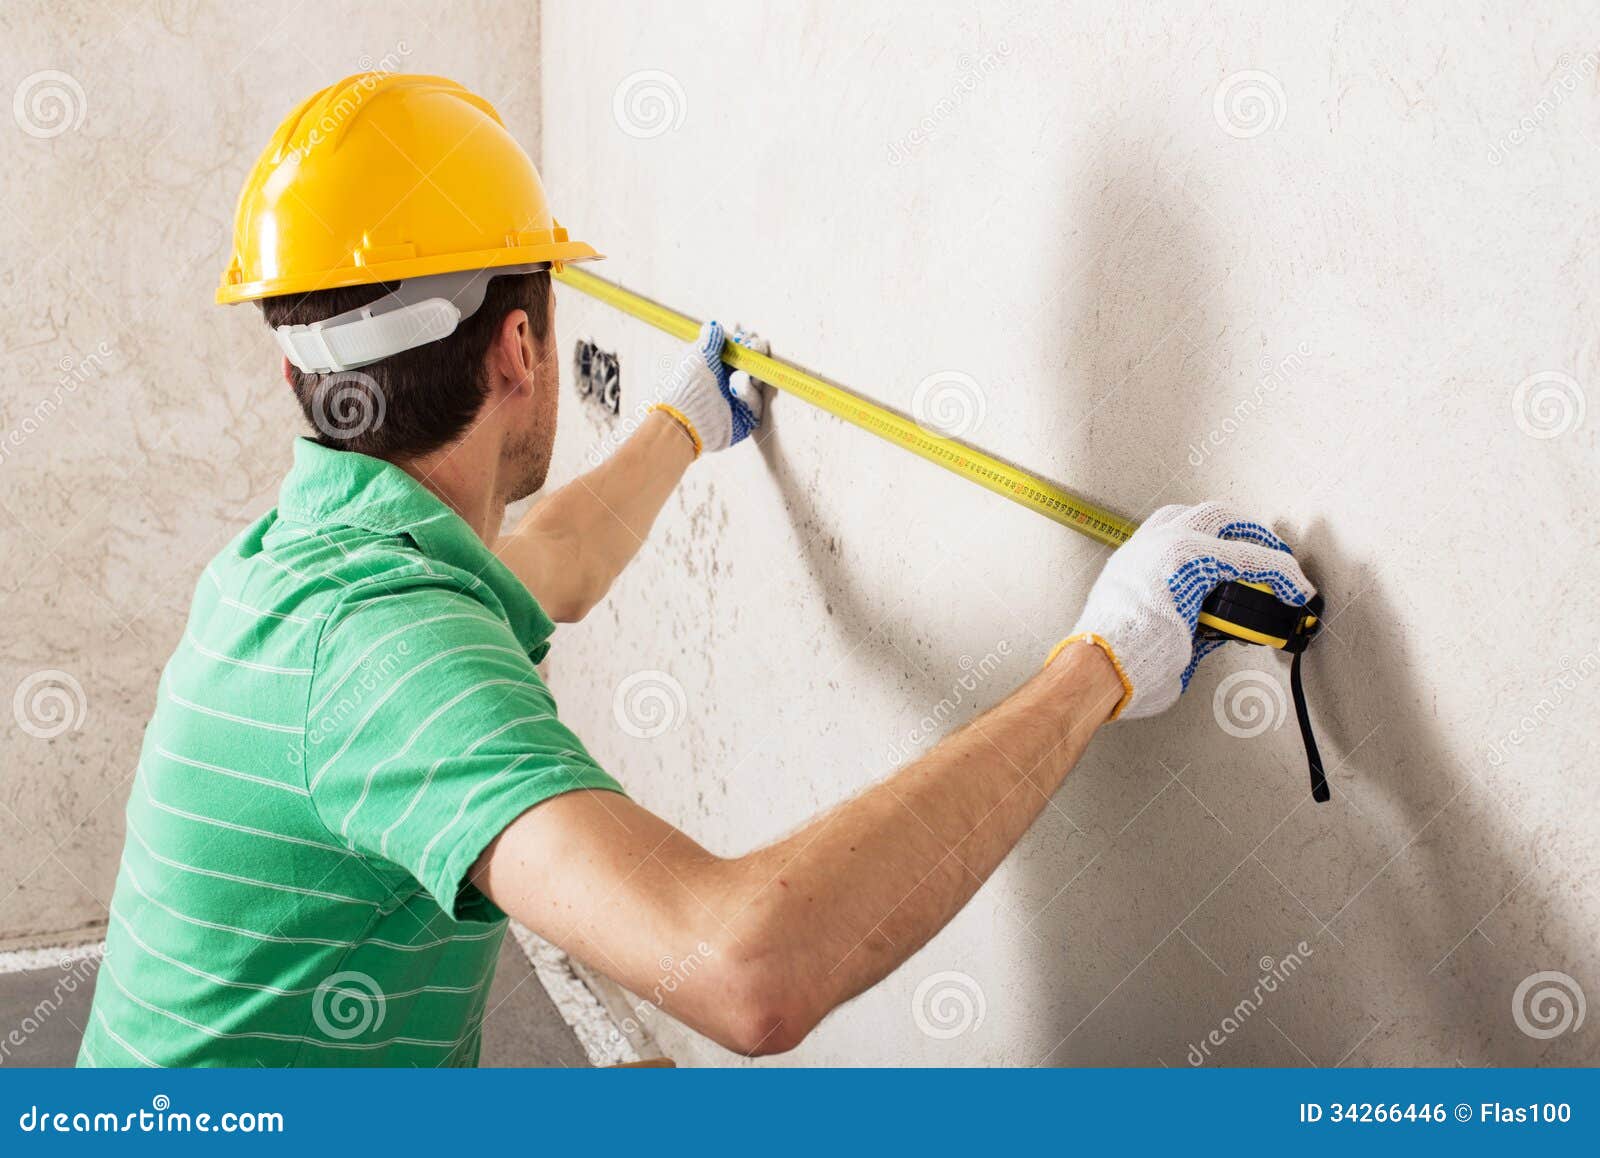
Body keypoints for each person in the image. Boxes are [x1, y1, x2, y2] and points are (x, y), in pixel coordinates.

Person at [79, 73, 1315, 1066]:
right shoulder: (378, 647)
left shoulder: (312, 565)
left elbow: (539, 568)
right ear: (520, 346)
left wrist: (681, 425)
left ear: (295, 366)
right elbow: (741, 974)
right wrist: (1105, 660)